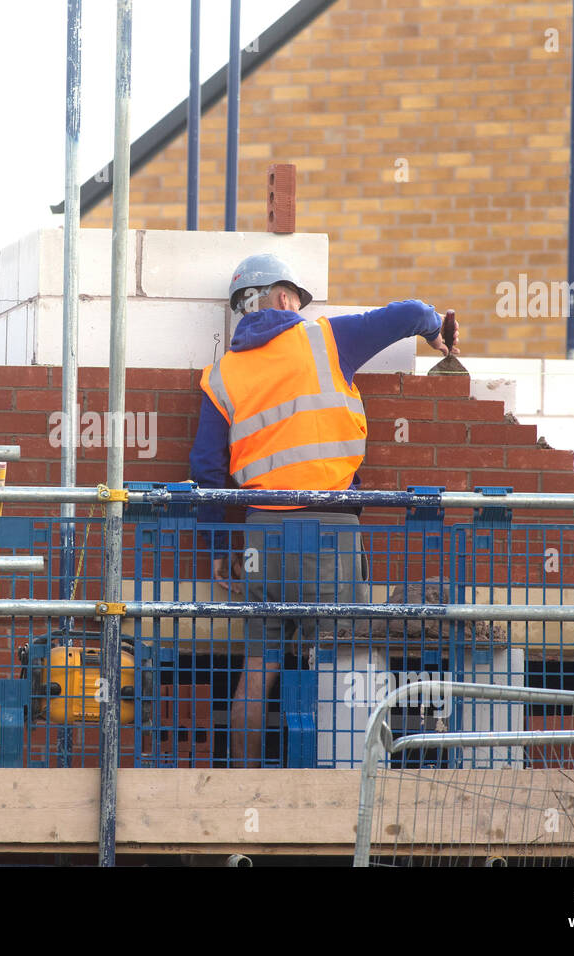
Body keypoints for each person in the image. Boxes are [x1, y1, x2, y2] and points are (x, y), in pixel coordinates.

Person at [189, 252, 461, 766]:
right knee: (346, 664)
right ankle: (346, 792)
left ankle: (244, 785)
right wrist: (434, 328)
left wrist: (219, 547)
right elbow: (407, 312)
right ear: (283, 297)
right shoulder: (324, 340)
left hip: (259, 540)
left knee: (258, 667)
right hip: (330, 534)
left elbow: (206, 471)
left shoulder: (222, 375)